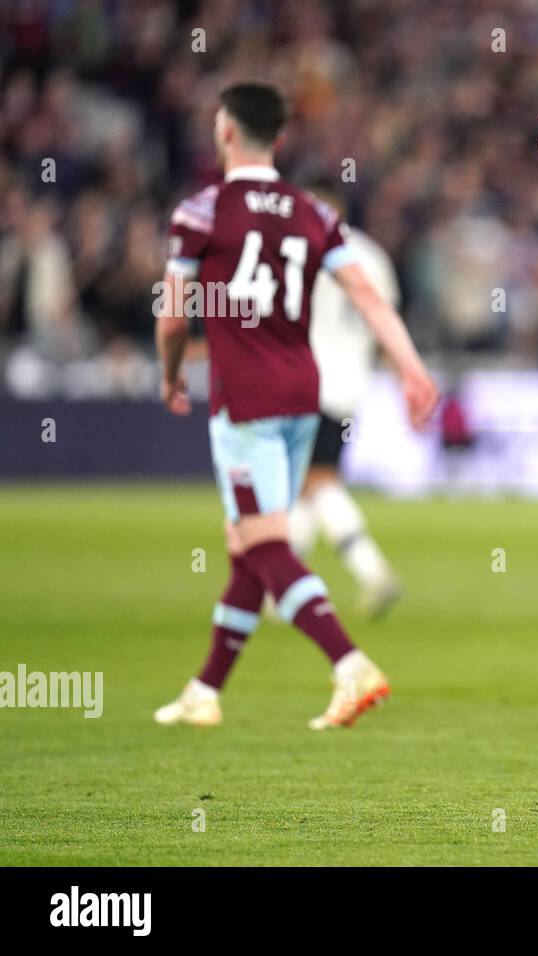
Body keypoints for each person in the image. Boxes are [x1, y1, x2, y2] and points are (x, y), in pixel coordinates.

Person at [152, 82, 438, 730]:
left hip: (245, 402)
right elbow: (366, 294)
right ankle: (205, 689)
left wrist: (170, 376)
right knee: (246, 545)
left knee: (265, 541)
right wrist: (413, 370)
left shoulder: (201, 211)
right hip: (305, 395)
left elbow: (172, 318)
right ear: (279, 138)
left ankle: (349, 664)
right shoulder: (311, 212)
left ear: (225, 131)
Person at [287, 180, 404, 620]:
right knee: (301, 484)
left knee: (315, 481)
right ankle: (285, 590)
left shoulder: (301, 251)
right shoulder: (372, 255)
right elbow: (384, 325)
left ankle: (372, 571)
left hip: (307, 380)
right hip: (350, 382)